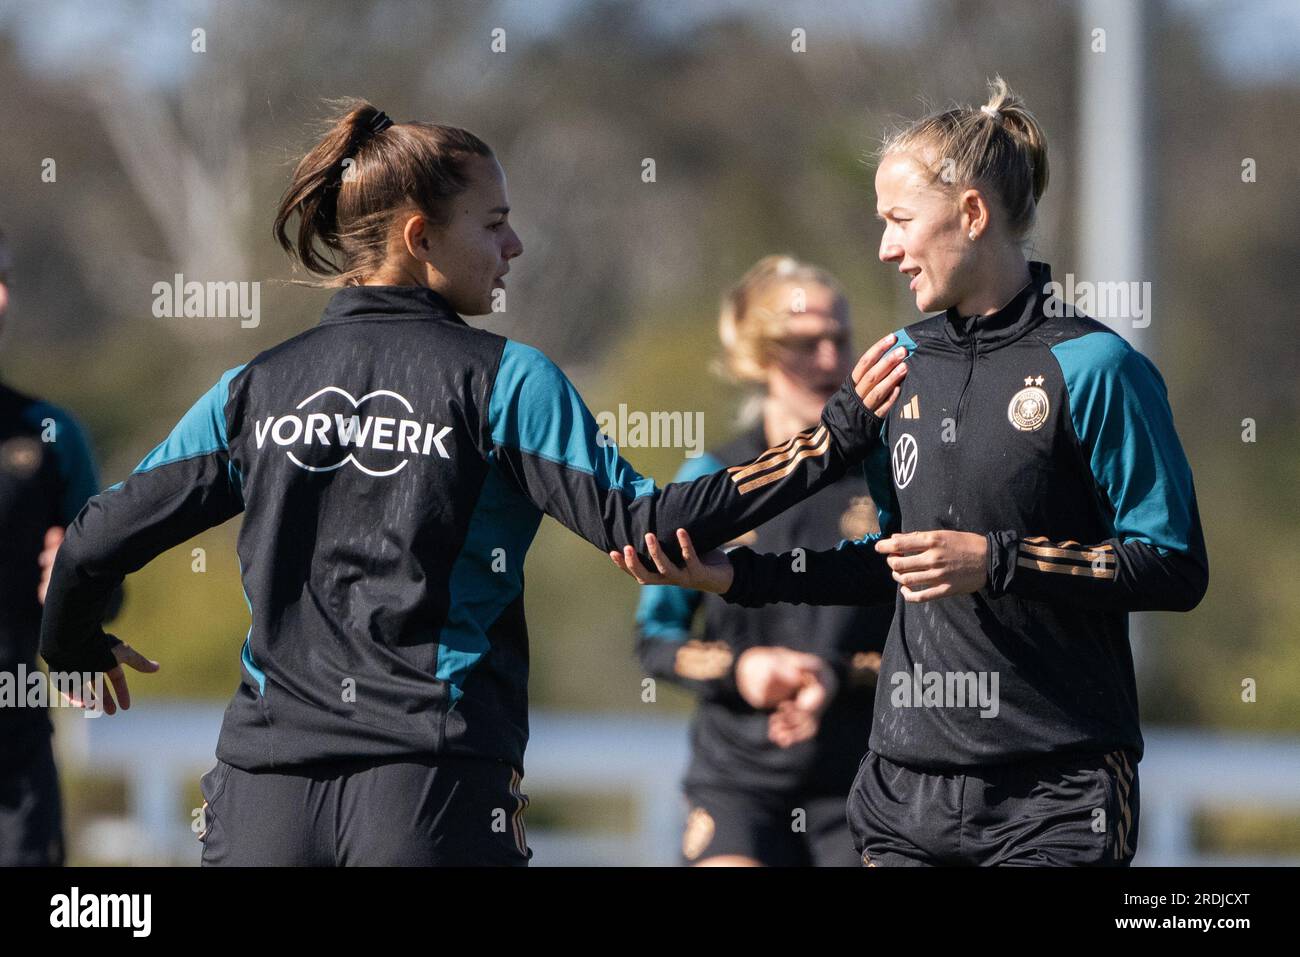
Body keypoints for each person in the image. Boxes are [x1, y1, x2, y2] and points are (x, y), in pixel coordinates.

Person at [38, 102, 909, 866]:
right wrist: (832, 442)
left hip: (264, 793)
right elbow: (645, 528)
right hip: (433, 787)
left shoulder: (254, 385)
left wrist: (71, 639)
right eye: (494, 223)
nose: (514, 246)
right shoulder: (507, 379)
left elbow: (94, 536)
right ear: (421, 236)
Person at [611, 77, 1208, 867]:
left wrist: (996, 560)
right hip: (902, 792)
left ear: (971, 213)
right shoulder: (902, 367)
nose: (886, 249)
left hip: (1056, 790)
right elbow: (895, 565)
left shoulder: (1096, 366)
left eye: (899, 221)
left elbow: (1172, 564)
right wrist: (740, 578)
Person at [635, 255, 890, 866]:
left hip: (863, 785)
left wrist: (835, 672)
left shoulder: (889, 477)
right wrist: (742, 668)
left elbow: (933, 645)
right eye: (806, 343)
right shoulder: (711, 478)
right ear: (759, 357)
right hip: (736, 784)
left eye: (840, 339)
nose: (831, 361)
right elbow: (654, 638)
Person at [0, 226, 112, 866]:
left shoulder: (49, 436)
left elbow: (107, 587)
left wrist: (70, 594)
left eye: (6, 279)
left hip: (15, 760)